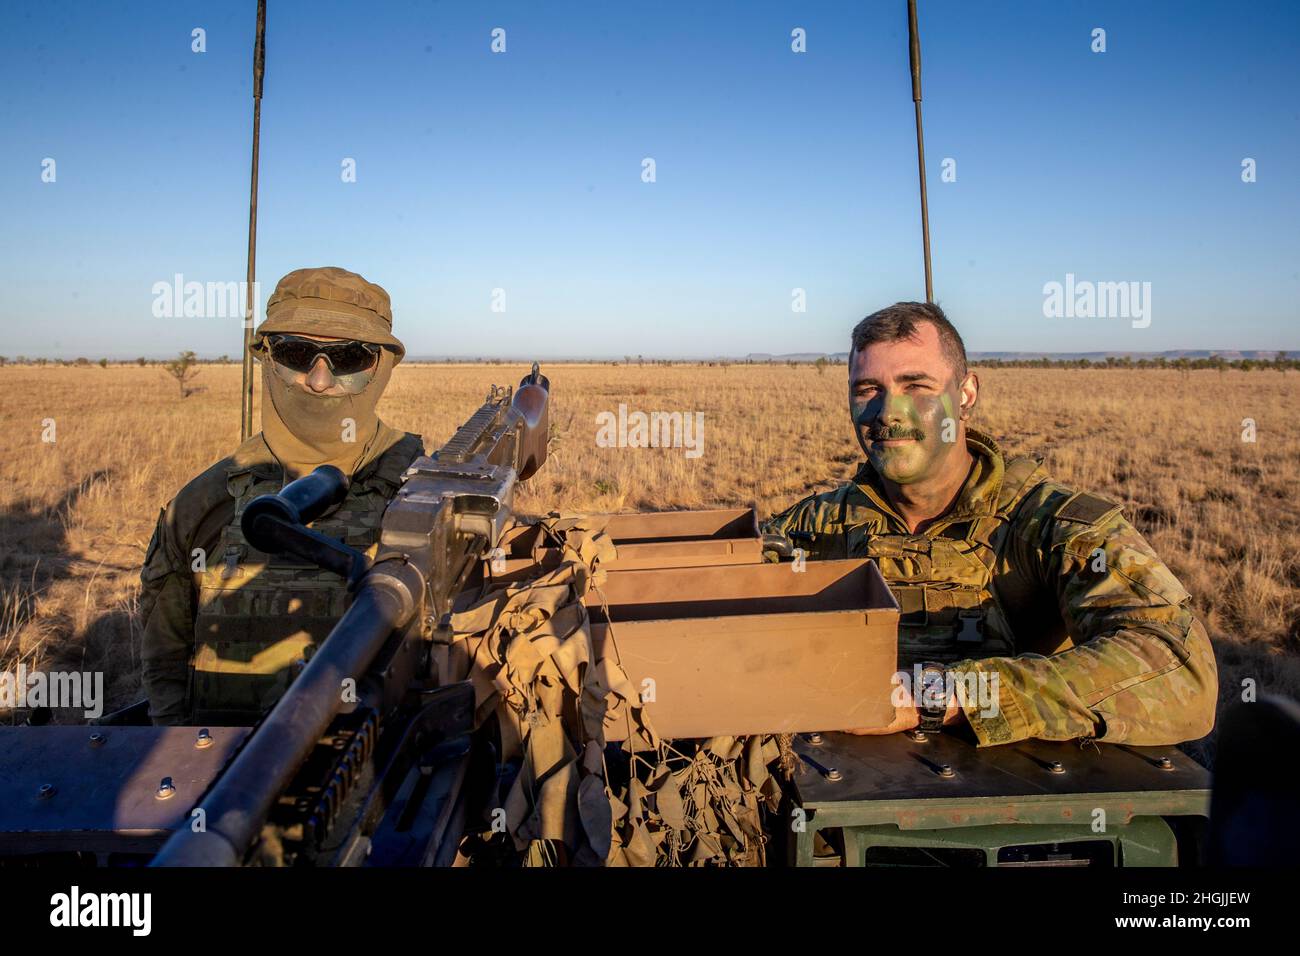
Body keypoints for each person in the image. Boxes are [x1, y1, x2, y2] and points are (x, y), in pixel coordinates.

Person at [762, 302, 1217, 746]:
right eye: (868, 389)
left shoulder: (1050, 525)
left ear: (966, 393)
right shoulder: (816, 525)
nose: (888, 412)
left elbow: (1179, 669)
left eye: (916, 385)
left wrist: (941, 695)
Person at [139, 266, 423, 725]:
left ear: (383, 365)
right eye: (296, 352)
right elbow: (165, 668)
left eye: (350, 358)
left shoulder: (427, 495)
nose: (318, 380)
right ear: (266, 356)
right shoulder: (205, 506)